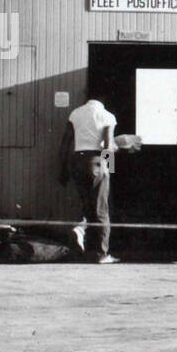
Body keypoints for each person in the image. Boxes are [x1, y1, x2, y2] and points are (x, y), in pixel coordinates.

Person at [58, 97, 119, 263]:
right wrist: (110, 169)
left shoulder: (75, 113)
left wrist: (63, 170)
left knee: (87, 206)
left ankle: (87, 246)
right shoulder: (107, 116)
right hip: (96, 161)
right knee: (101, 210)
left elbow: (65, 143)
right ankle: (101, 254)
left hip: (77, 161)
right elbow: (108, 145)